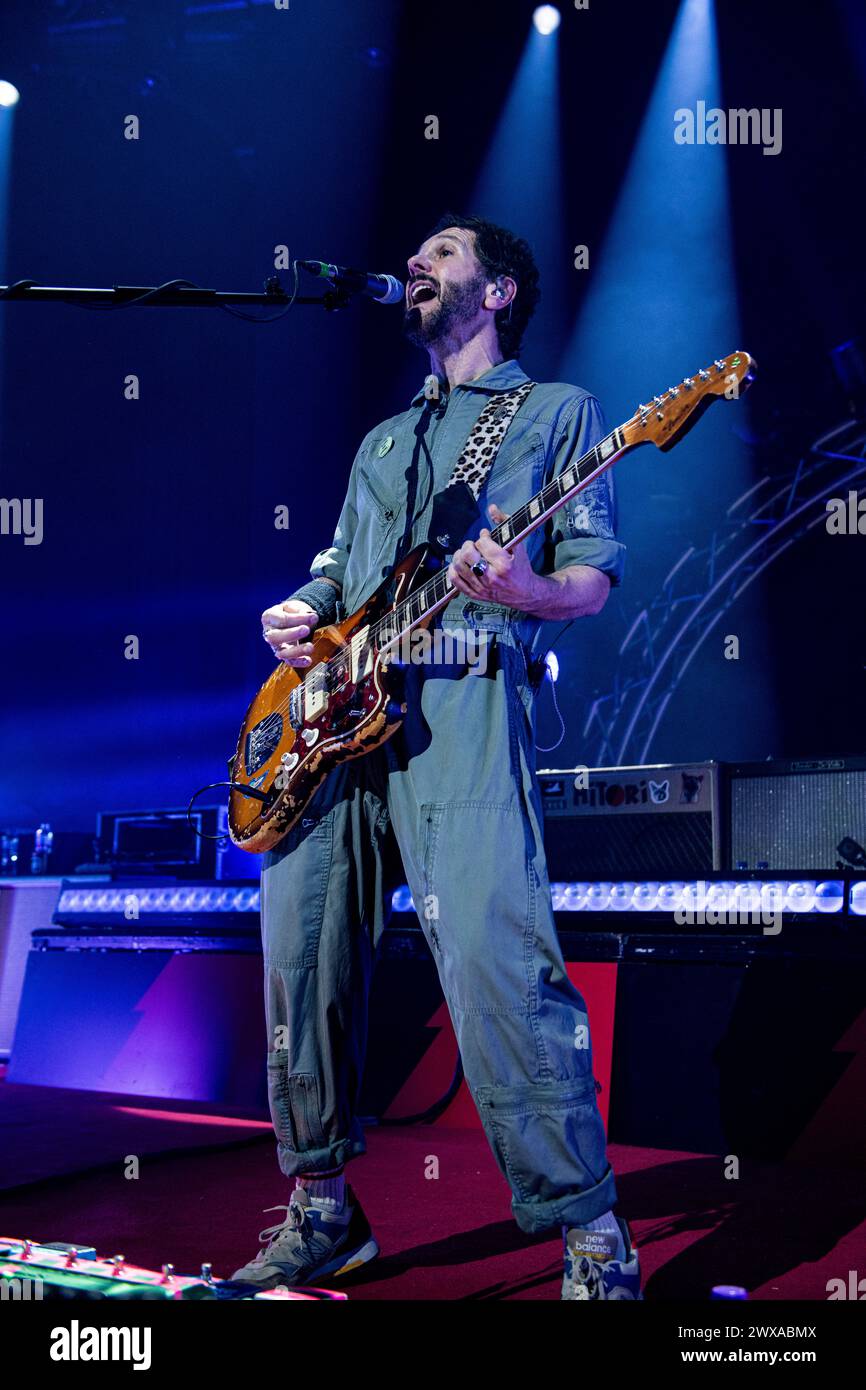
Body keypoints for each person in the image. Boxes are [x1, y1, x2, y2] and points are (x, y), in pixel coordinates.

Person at [231, 213, 641, 1300]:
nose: (417, 264)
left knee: (498, 965)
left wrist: (525, 592)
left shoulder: (556, 415)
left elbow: (590, 578)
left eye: (445, 253)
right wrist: (299, 607)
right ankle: (322, 1210)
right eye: (415, 257)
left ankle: (588, 1233)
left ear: (498, 290)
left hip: (456, 701)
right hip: (333, 726)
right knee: (299, 959)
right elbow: (339, 570)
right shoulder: (383, 439)